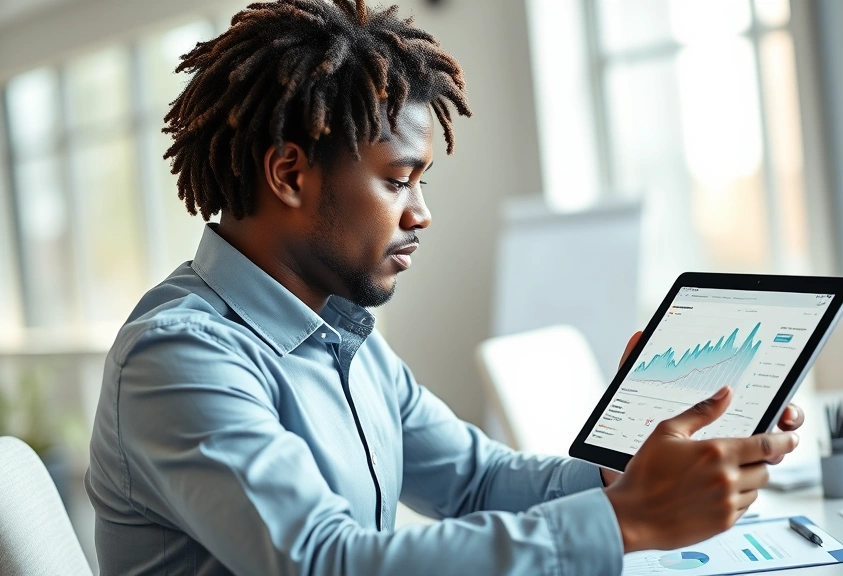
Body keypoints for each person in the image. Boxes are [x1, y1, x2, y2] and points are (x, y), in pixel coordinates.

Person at [85, 1, 803, 574]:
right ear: (290, 174)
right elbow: (323, 562)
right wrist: (628, 520)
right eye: (399, 180)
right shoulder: (179, 357)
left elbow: (477, 482)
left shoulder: (343, 338)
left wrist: (631, 468)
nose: (421, 213)